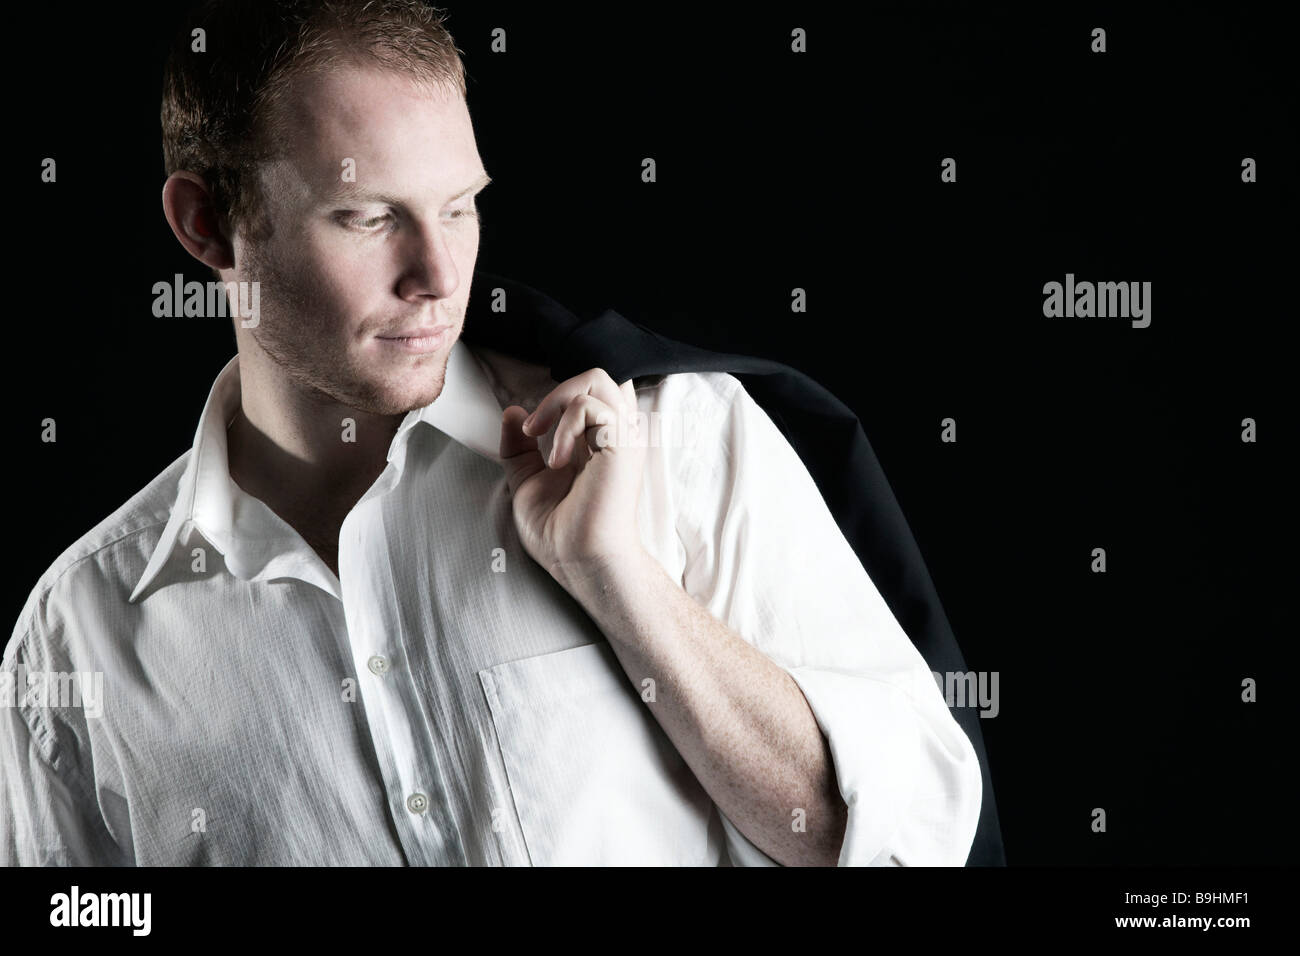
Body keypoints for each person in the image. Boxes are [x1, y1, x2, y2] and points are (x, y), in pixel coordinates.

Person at [0, 0, 982, 866]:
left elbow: (914, 839)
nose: (437, 272)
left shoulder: (679, 440)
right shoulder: (77, 633)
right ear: (207, 224)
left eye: (460, 205)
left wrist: (623, 581)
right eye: (366, 215)